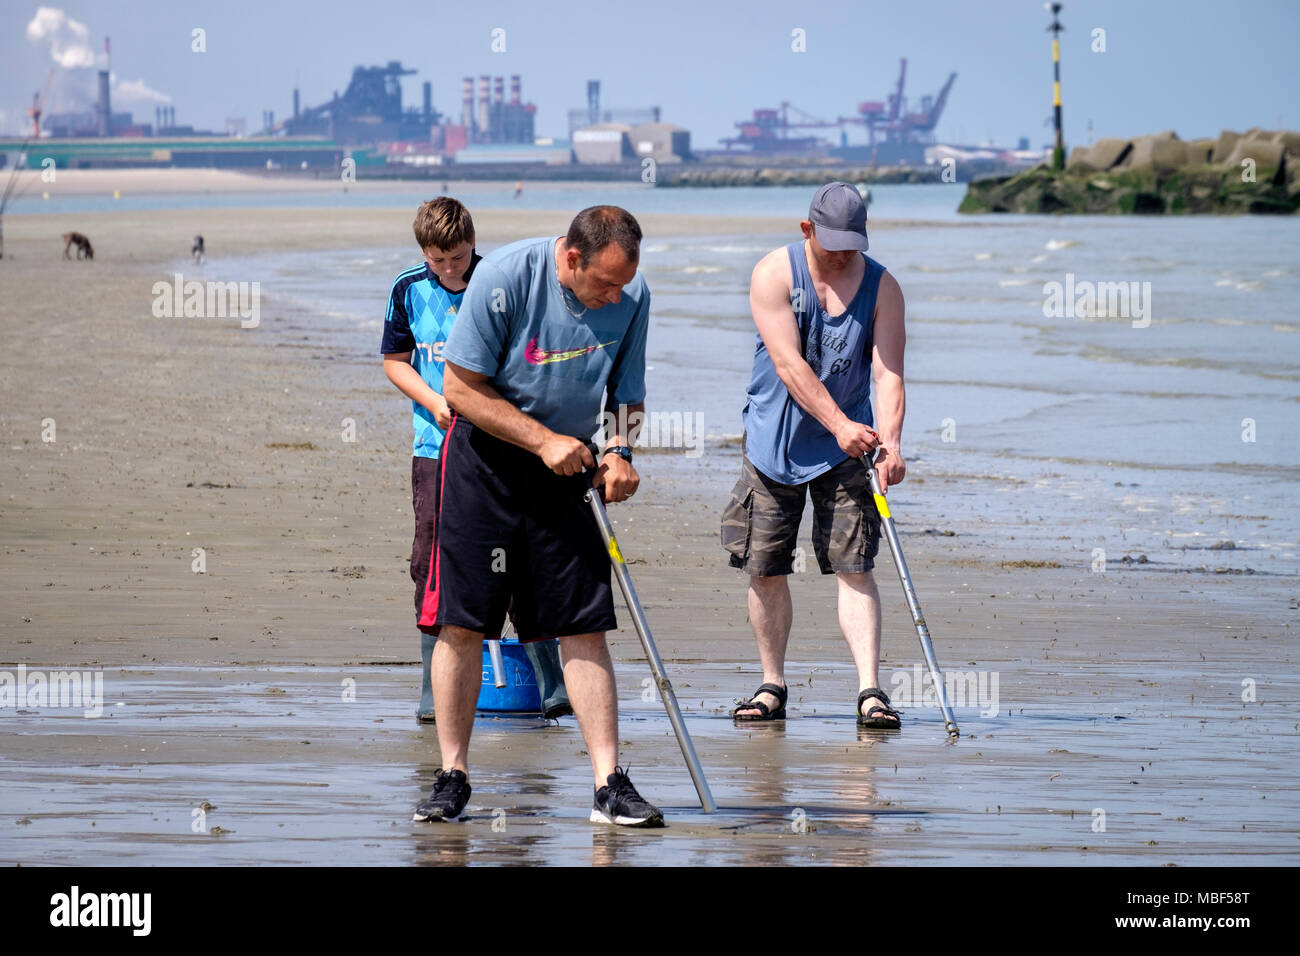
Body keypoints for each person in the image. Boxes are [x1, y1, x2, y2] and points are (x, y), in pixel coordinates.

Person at [414, 205, 663, 827]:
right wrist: (540, 440)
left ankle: (608, 783)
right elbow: (460, 388)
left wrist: (620, 450)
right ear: (572, 259)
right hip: (485, 463)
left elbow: (626, 394)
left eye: (624, 284)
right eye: (606, 283)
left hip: (570, 466)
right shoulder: (503, 277)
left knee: (583, 623)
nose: (616, 295)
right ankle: (453, 775)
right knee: (464, 622)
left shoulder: (632, 297)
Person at [722, 181, 908, 729]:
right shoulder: (773, 274)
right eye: (833, 245)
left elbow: (888, 371)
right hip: (773, 444)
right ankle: (772, 685)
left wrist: (890, 443)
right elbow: (789, 366)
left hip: (847, 449)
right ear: (807, 230)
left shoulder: (884, 288)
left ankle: (870, 691)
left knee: (855, 566)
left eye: (854, 244)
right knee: (765, 567)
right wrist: (841, 425)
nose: (844, 255)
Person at [381, 197, 569, 725]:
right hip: (434, 447)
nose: (449, 269)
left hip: (503, 446)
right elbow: (395, 364)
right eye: (438, 260)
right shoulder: (407, 289)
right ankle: (430, 690)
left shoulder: (500, 284)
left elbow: (530, 360)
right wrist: (437, 401)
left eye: (459, 258)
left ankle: (552, 683)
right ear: (424, 252)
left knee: (521, 556)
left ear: (472, 244)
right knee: (433, 561)